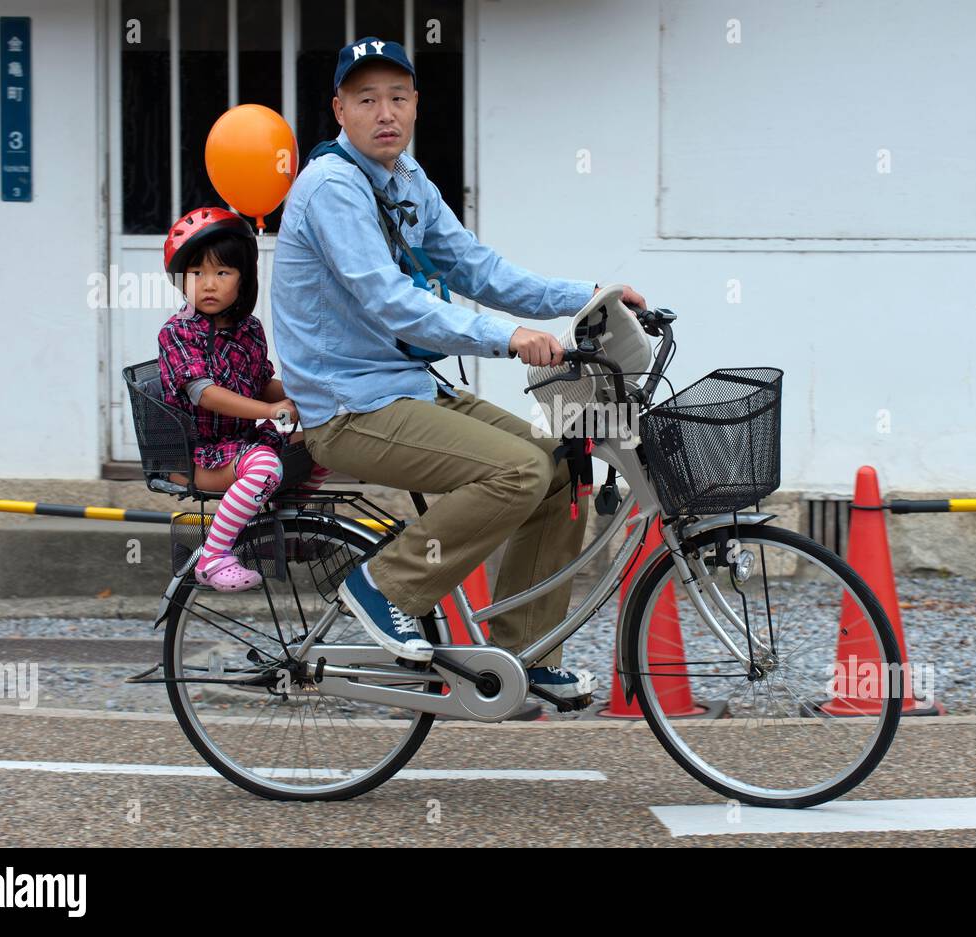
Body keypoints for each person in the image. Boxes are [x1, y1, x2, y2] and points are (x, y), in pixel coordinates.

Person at [270, 37, 646, 700]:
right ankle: (383, 584)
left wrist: (588, 295)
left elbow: (478, 269)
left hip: (406, 391)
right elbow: (391, 301)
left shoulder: (407, 181)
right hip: (348, 407)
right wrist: (510, 338)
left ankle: (521, 655)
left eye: (397, 97)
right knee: (517, 469)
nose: (384, 112)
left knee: (560, 466)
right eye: (366, 99)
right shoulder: (331, 186)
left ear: (416, 104)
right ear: (338, 110)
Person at [158, 207, 334, 591]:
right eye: (196, 274)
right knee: (265, 468)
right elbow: (204, 394)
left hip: (238, 445)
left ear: (244, 279)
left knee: (329, 442)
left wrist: (311, 395)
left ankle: (284, 526)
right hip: (198, 455)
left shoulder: (249, 330)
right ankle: (213, 556)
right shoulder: (178, 332)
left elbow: (260, 382)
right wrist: (269, 411)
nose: (208, 284)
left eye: (222, 273)